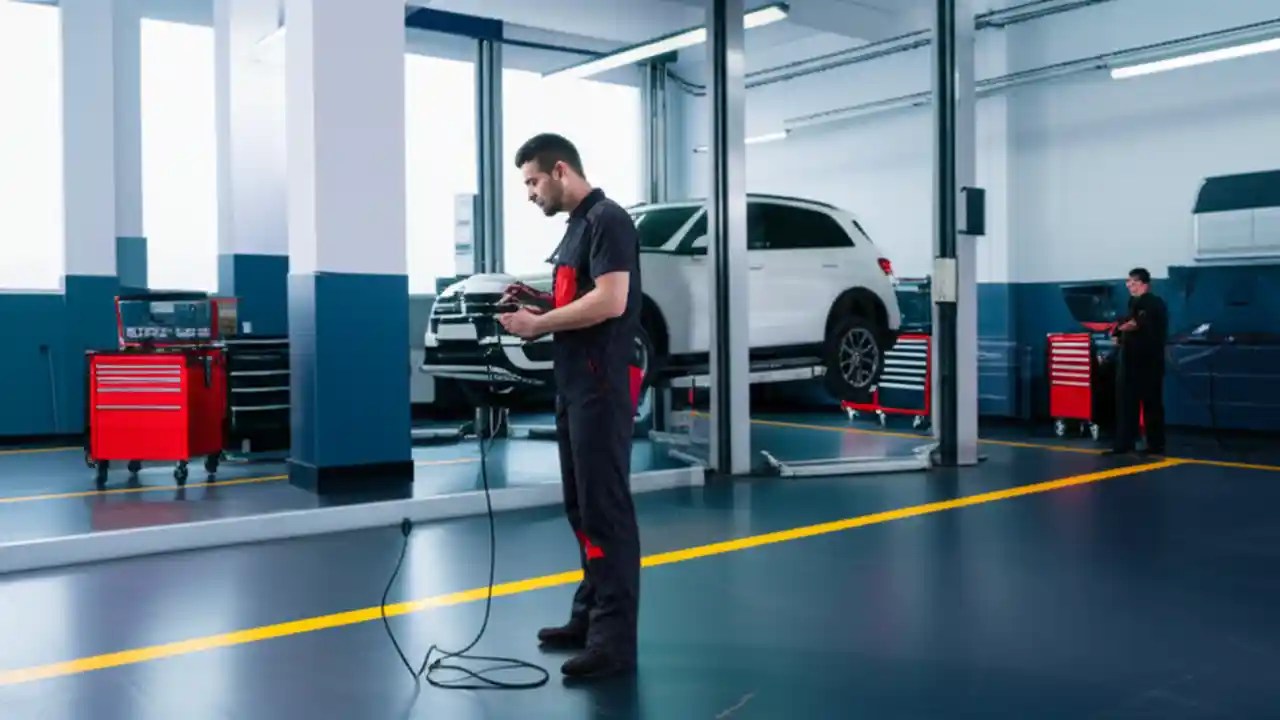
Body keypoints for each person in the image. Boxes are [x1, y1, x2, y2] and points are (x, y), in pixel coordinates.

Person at [498, 133, 643, 680]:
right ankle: (587, 619)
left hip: (602, 387)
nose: (530, 193)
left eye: (533, 181)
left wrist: (537, 326)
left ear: (560, 170)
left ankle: (614, 643)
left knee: (606, 513)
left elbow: (611, 300)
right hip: (574, 386)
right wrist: (535, 302)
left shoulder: (609, 220)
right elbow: (577, 299)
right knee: (581, 510)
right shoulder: (577, 228)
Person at [1106, 267, 1168, 455]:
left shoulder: (1153, 303)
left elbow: (1135, 324)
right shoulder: (1133, 302)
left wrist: (1120, 329)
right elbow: (1128, 323)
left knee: (1151, 403)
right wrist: (1118, 335)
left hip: (1149, 361)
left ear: (1142, 284)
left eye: (1132, 282)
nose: (1128, 285)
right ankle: (1125, 442)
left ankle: (1155, 444)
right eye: (1128, 282)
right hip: (1130, 360)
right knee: (1126, 402)